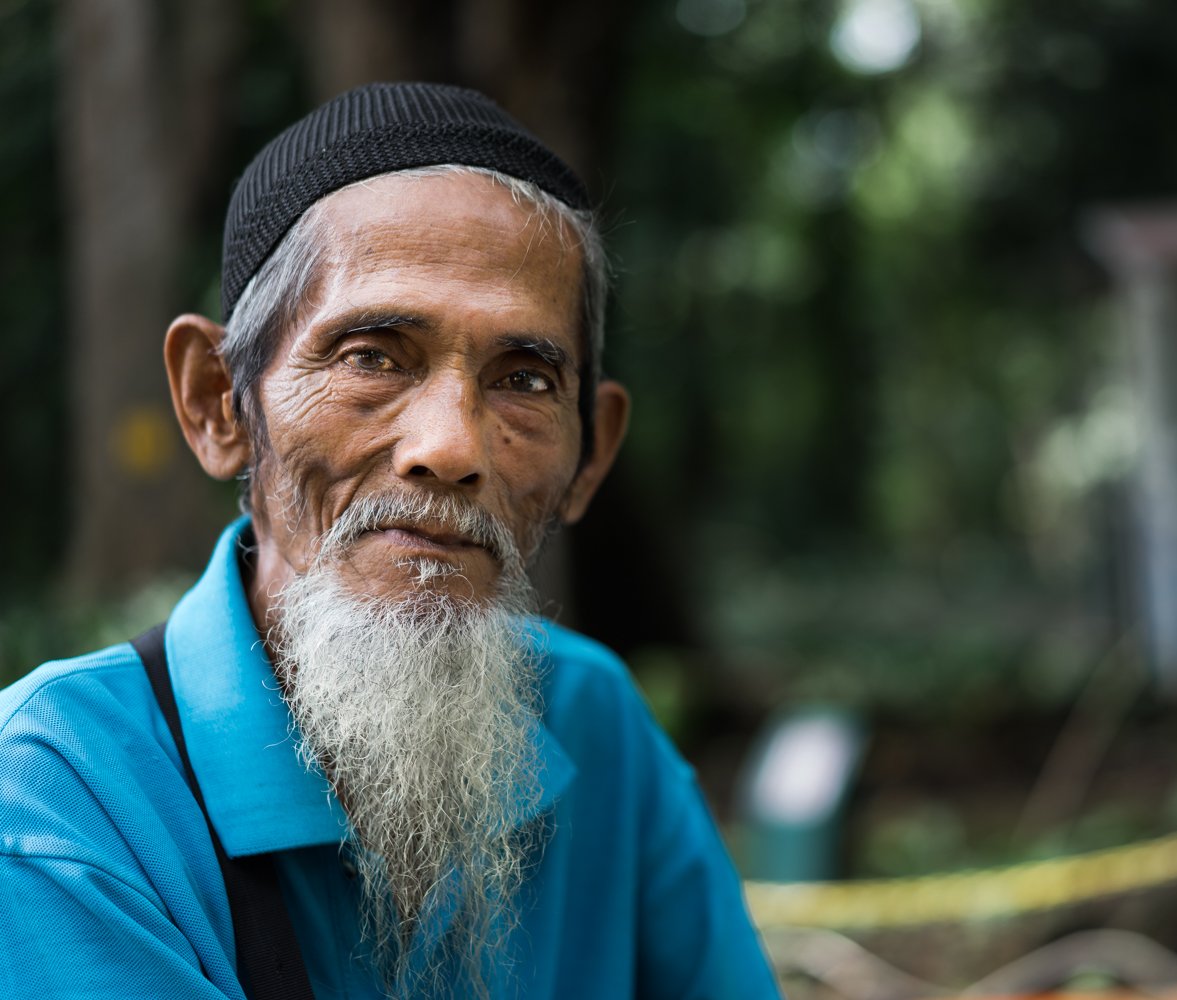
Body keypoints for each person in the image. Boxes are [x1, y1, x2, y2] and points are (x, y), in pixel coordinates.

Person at [0, 82, 781, 999]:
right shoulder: (58, 796)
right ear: (219, 402)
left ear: (591, 456)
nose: (450, 447)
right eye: (371, 356)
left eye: (524, 380)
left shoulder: (593, 722)